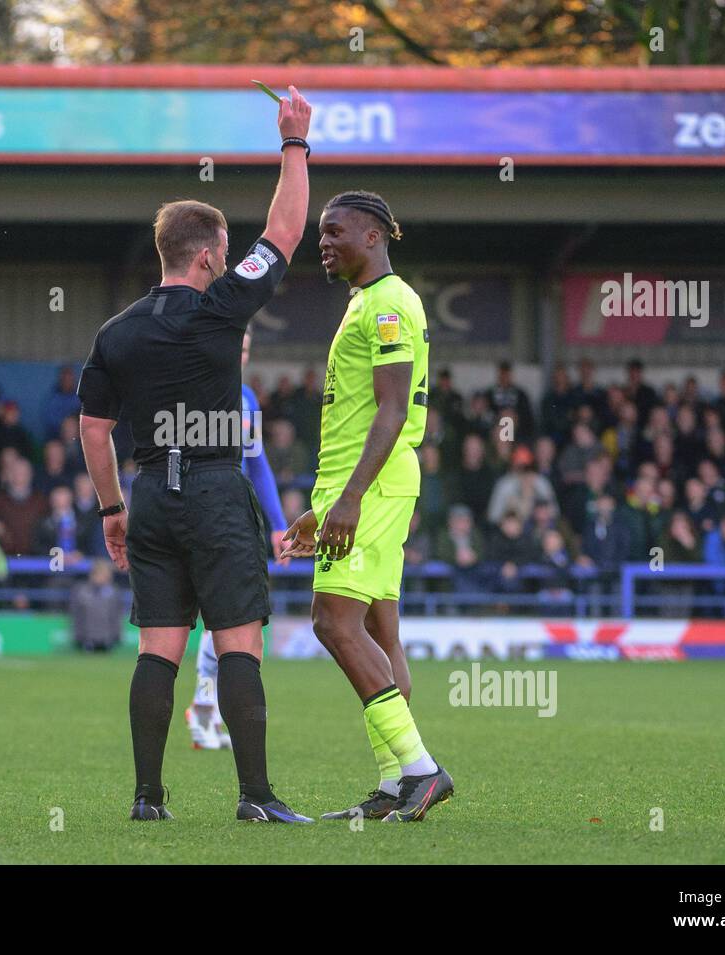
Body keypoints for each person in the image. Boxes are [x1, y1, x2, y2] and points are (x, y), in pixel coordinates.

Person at [77, 85, 312, 824]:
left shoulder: (115, 332)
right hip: (214, 488)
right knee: (239, 641)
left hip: (150, 494)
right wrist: (294, 140)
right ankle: (256, 797)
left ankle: (149, 800)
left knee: (159, 650)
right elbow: (285, 229)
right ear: (210, 256)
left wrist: (112, 509)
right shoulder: (221, 307)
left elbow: (92, 429)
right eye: (223, 251)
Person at [280, 190, 451, 823]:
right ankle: (394, 782)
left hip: (370, 486)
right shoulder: (368, 302)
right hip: (361, 485)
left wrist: (348, 499)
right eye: (321, 233)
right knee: (378, 627)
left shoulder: (387, 305)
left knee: (333, 622)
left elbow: (392, 408)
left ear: (373, 236)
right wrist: (322, 507)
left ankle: (421, 768)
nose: (322, 242)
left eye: (334, 231)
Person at [186, 326, 289, 752]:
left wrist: (279, 523)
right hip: (203, 517)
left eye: (246, 349)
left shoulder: (245, 400)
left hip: (237, 522)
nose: (241, 355)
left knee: (225, 621)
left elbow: (258, 464)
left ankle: (203, 708)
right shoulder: (195, 393)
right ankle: (202, 709)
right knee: (219, 621)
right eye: (236, 347)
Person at [69, 559, 125, 652]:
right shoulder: (81, 591)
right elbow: (76, 617)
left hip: (108, 640)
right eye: (103, 574)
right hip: (86, 640)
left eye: (108, 575)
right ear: (93, 575)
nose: (107, 577)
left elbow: (116, 617)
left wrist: (117, 636)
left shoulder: (113, 592)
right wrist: (78, 637)